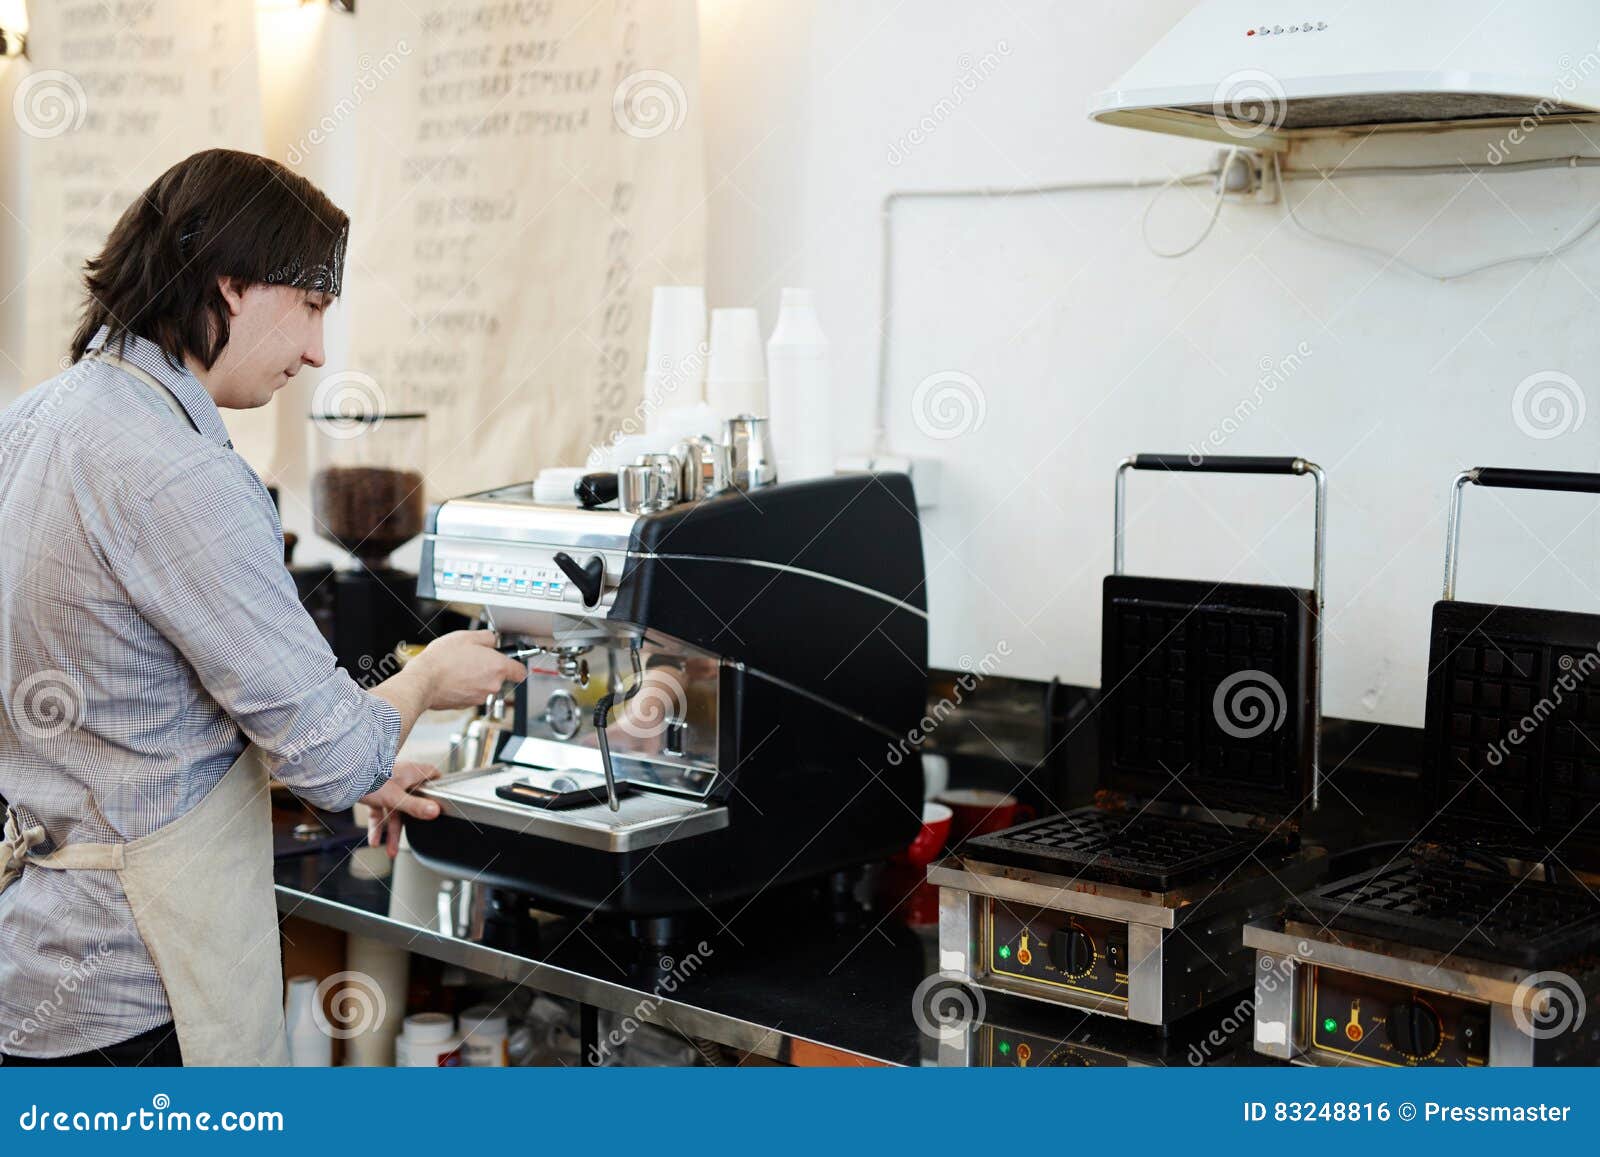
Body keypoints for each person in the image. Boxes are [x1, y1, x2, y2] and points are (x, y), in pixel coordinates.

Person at [0, 149, 525, 1066]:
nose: (319, 350)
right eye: (314, 306)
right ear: (230, 285)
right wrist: (430, 674)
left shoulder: (32, 421)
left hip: (34, 969)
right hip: (144, 996)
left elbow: (128, 693)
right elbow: (337, 755)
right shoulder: (185, 473)